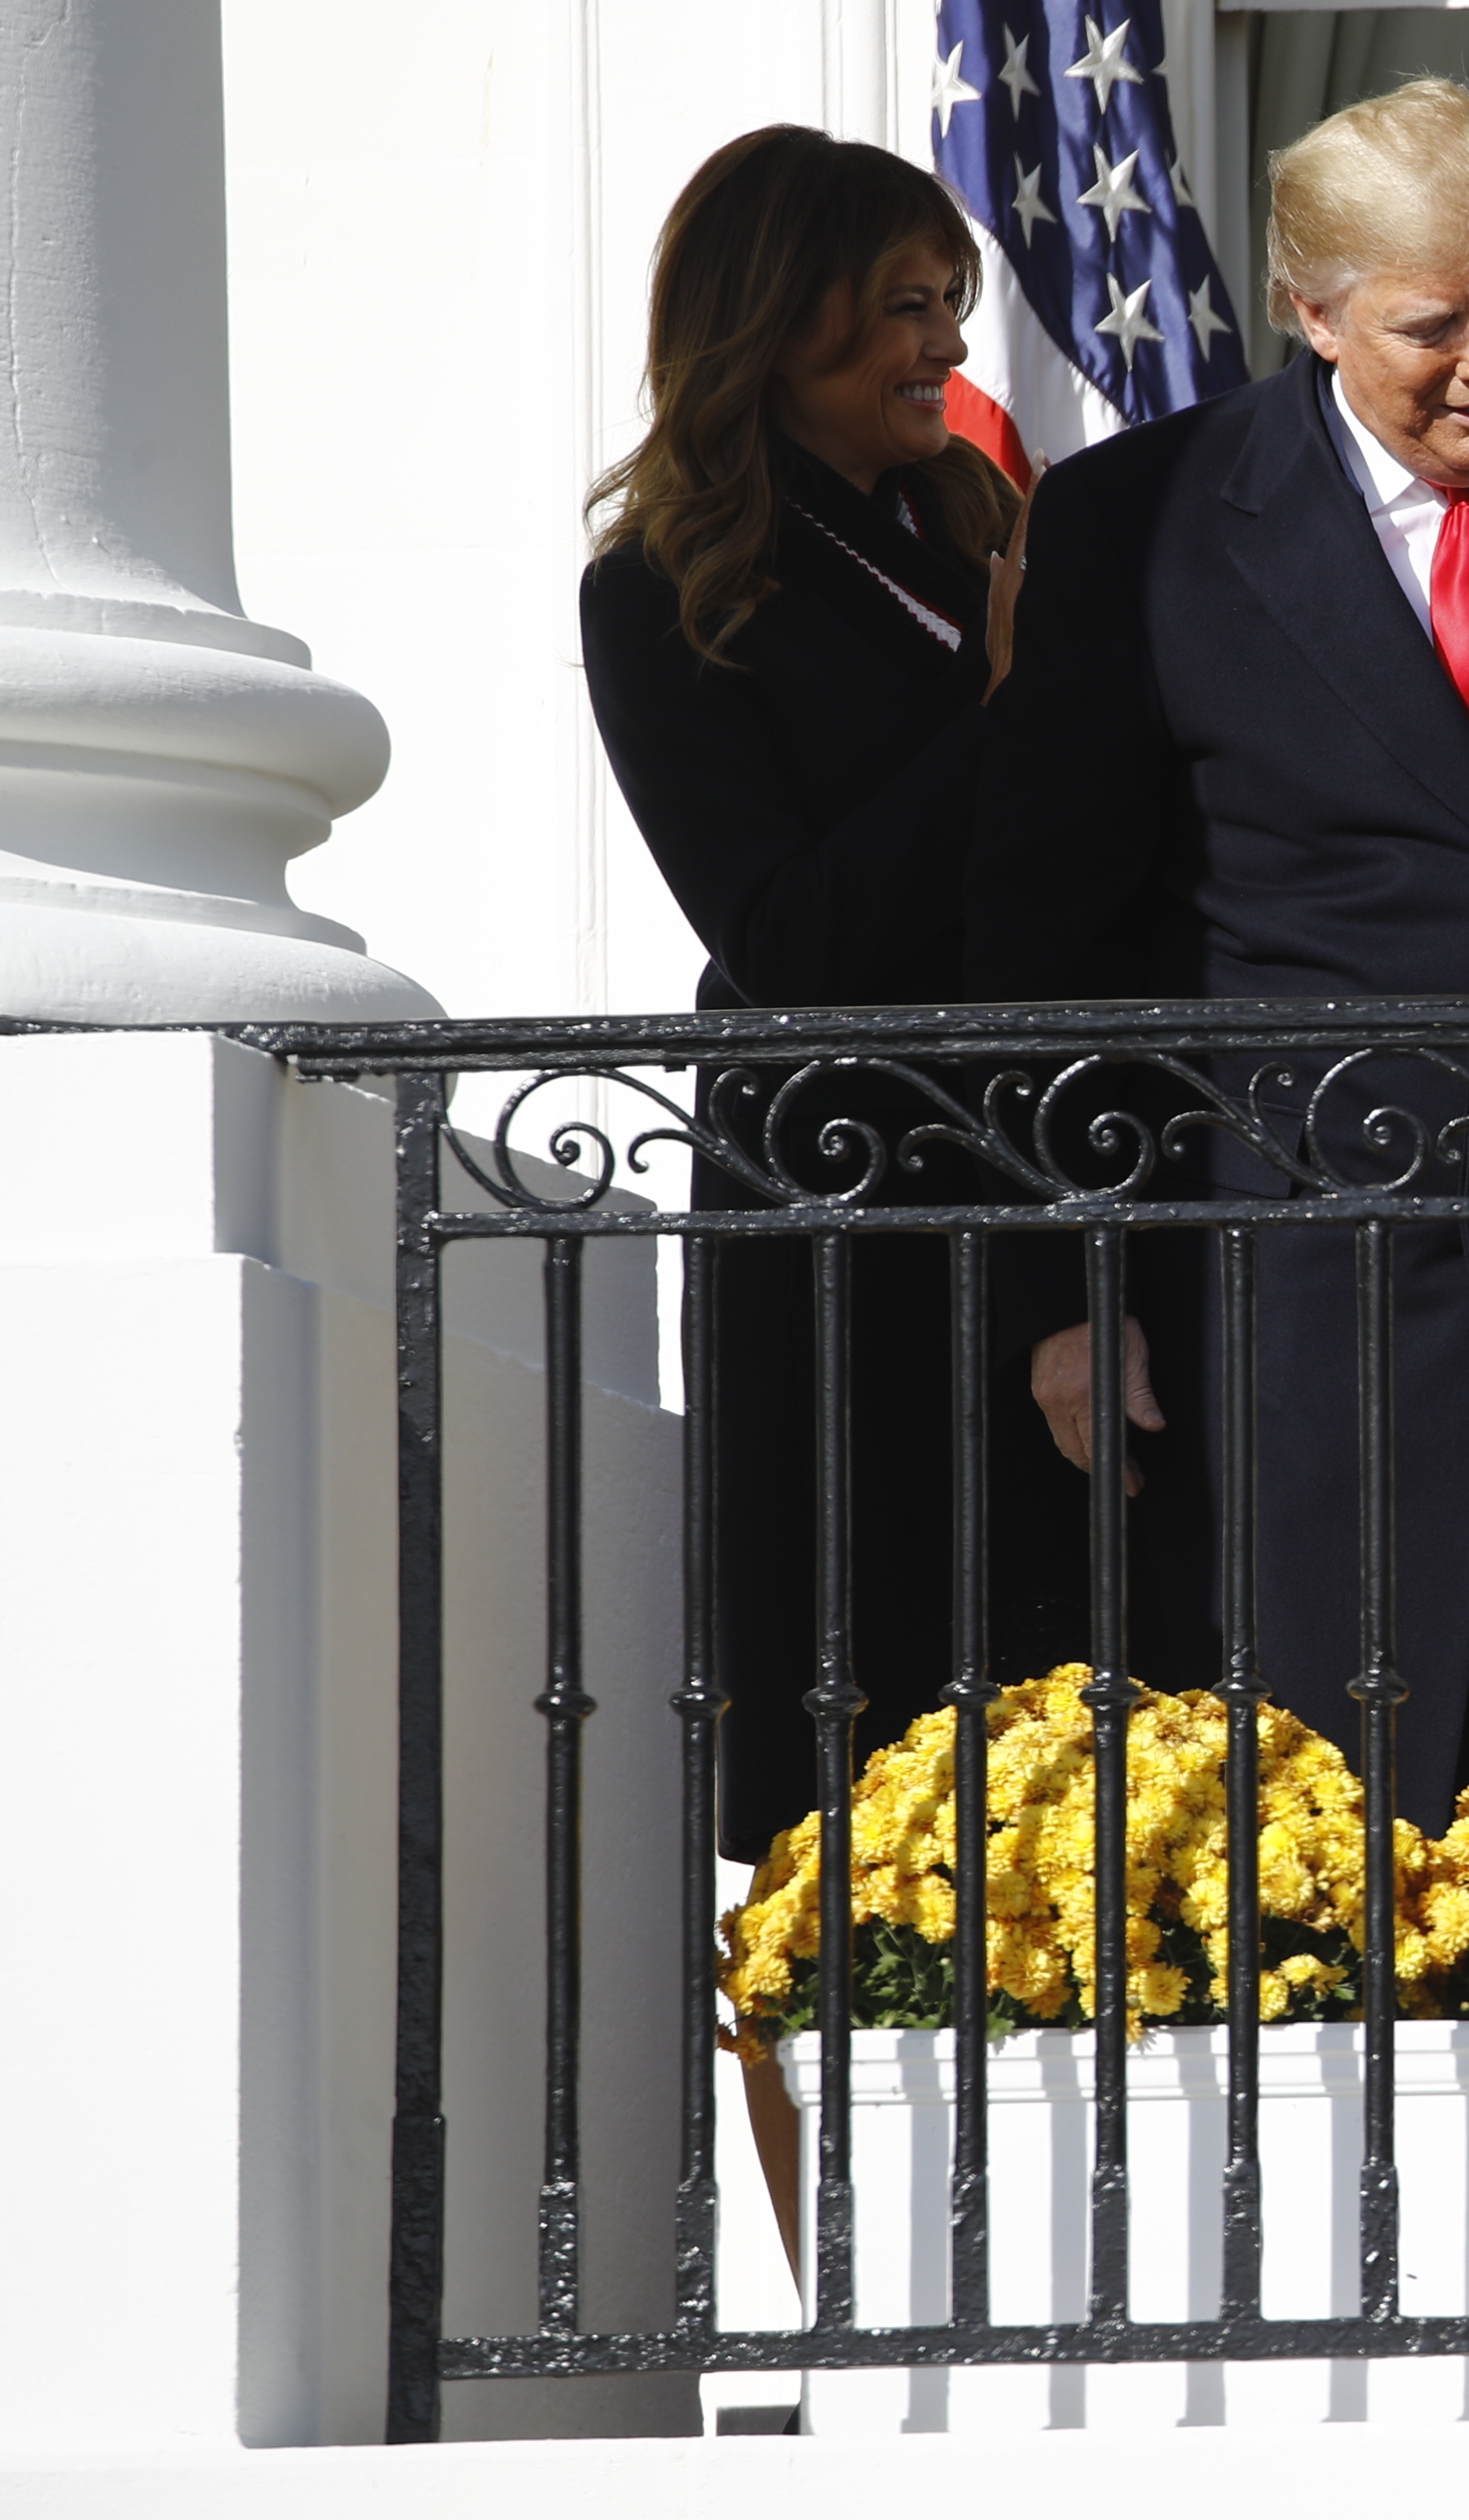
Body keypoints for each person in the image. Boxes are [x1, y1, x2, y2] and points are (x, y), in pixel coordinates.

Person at [964, 77, 1469, 1825]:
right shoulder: (1145, 524)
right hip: (1298, 1300)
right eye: (1427, 325)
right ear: (1310, 313)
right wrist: (1070, 1291)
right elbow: (1054, 929)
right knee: (1330, 1832)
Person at [577, 123, 1084, 1860]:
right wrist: (1015, 715)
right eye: (905, 306)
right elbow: (785, 933)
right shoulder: (663, 595)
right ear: (777, 322)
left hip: (1039, 1193)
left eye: (952, 301)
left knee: (1071, 1725)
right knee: (868, 1752)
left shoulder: (967, 533)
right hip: (846, 1225)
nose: (948, 344)